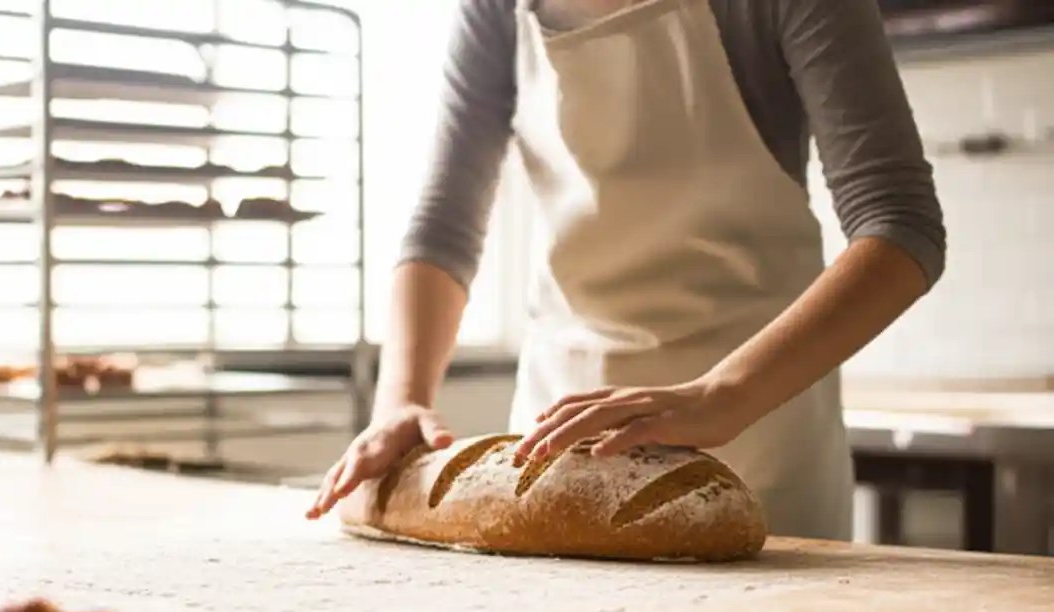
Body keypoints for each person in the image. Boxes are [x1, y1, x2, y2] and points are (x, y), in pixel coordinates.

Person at [305, 0, 945, 541]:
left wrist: (722, 395)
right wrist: (402, 401)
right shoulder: (495, 9)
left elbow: (900, 227)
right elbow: (444, 232)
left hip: (758, 440)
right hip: (552, 448)